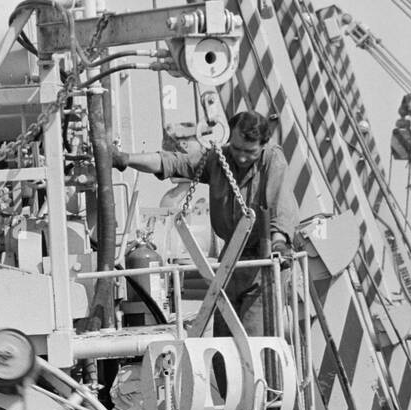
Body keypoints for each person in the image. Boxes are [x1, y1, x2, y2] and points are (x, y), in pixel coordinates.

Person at [112, 110, 299, 332]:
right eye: (237, 148)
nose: (241, 157)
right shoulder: (219, 157)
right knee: (223, 340)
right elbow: (172, 162)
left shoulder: (272, 159)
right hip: (230, 260)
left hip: (264, 261)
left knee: (254, 338)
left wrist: (278, 244)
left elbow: (280, 205)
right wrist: (125, 159)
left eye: (250, 152)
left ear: (263, 145)